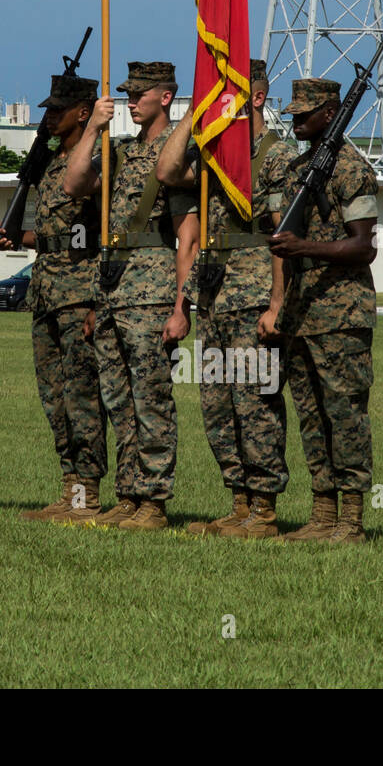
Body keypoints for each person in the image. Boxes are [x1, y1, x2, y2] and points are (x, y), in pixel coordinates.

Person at [156, 59, 298, 538]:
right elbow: (167, 168)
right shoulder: (214, 156)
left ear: (255, 97)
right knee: (218, 407)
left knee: (255, 404)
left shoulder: (277, 156)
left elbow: (282, 236)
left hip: (254, 294)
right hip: (215, 294)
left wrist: (277, 304)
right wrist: (195, 113)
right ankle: (238, 503)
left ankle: (264, 510)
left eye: (228, 97)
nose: (221, 107)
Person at [63, 62, 199, 531]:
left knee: (151, 398)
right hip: (113, 288)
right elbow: (74, 184)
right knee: (118, 400)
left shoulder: (177, 155)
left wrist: (182, 306)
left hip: (153, 291)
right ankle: (129, 494)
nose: (130, 100)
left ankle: (155, 501)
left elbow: (188, 236)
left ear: (165, 97)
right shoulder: (117, 149)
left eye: (139, 93)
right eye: (127, 93)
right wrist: (93, 129)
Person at [268, 78, 379, 545]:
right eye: (291, 112)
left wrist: (305, 246)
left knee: (345, 416)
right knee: (311, 416)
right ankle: (321, 514)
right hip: (301, 312)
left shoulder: (353, 169)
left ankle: (350, 521)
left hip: (342, 313)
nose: (294, 119)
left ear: (330, 114)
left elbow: (363, 247)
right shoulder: (297, 169)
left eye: (304, 113)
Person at [0, 74, 104, 524]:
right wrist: (17, 239)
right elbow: (56, 235)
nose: (48, 117)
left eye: (58, 110)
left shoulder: (95, 161)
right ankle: (68, 490)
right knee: (54, 397)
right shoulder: (51, 163)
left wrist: (99, 300)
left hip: (80, 295)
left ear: (83, 112)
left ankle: (87, 498)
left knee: (82, 398)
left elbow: (100, 236)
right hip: (46, 293)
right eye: (47, 109)